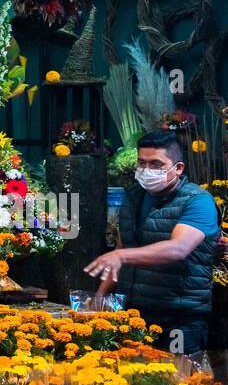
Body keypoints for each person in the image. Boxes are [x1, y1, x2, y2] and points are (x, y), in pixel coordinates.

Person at [85, 129, 220, 354]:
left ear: (178, 168)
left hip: (178, 318)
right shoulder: (134, 195)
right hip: (133, 313)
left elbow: (178, 248)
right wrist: (100, 298)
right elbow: (123, 247)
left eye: (156, 164)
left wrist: (121, 256)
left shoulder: (198, 201)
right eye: (142, 163)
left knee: (178, 383)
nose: (147, 171)